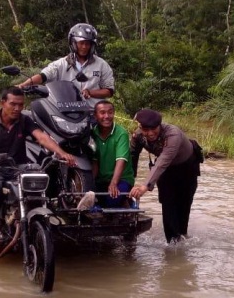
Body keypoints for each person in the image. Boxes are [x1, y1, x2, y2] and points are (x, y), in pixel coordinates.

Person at [0, 86, 77, 257]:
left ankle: (39, 223)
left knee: (41, 180)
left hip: (18, 167)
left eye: (20, 105)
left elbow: (42, 138)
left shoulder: (25, 121)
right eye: (13, 104)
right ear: (3, 103)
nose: (17, 108)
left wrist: (62, 153)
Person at [128, 109, 202, 244]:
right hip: (166, 171)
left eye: (153, 129)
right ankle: (173, 243)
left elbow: (162, 162)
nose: (150, 134)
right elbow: (132, 156)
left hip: (187, 167)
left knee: (184, 204)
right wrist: (129, 181)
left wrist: (145, 186)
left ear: (159, 126)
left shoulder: (173, 134)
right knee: (167, 203)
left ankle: (182, 235)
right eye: (145, 129)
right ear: (140, 127)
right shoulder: (138, 135)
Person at [17, 23, 115, 109]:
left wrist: (90, 92)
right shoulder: (61, 63)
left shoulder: (101, 64)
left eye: (88, 44)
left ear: (92, 45)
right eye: (81, 43)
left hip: (92, 112)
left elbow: (109, 91)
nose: (84, 47)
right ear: (73, 43)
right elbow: (43, 76)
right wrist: (23, 85)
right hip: (65, 111)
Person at [91, 100, 135, 208]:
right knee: (90, 199)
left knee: (112, 200)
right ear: (95, 116)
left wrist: (114, 183)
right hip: (102, 179)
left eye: (110, 112)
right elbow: (94, 162)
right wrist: (89, 184)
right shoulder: (92, 133)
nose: (107, 116)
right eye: (102, 112)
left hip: (121, 179)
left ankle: (126, 202)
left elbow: (121, 160)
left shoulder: (121, 133)